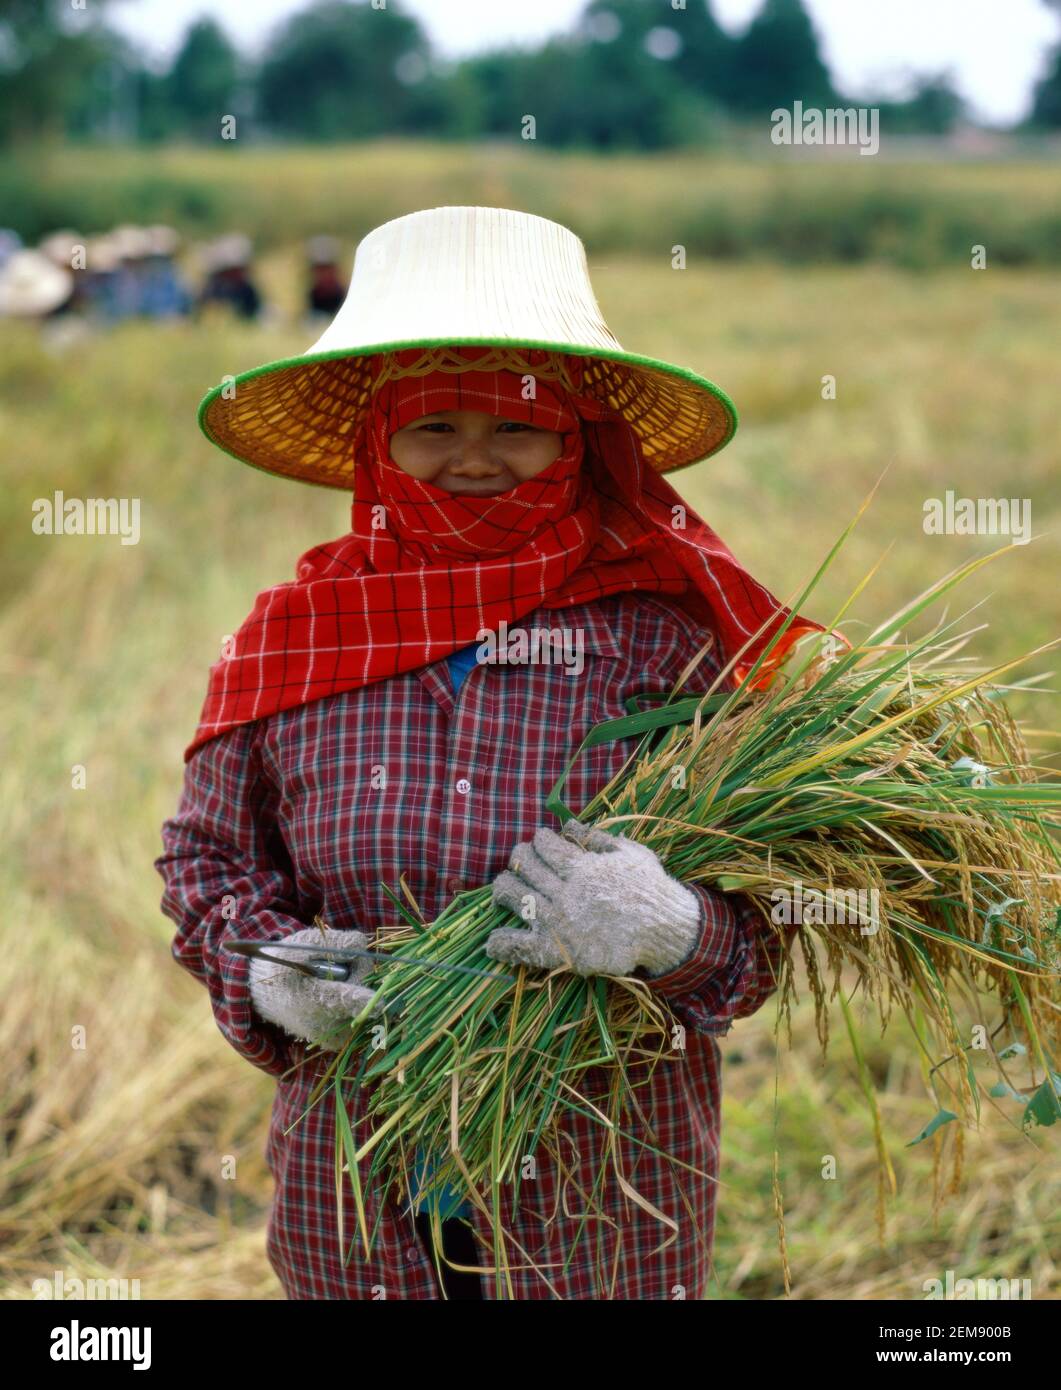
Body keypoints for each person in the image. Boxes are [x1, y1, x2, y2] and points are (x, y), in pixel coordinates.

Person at [155, 205, 835, 1301]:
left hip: (606, 1189)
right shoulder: (291, 636)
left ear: (575, 442)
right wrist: (273, 970)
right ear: (380, 443)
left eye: (515, 427)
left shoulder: (665, 642)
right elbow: (205, 865)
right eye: (434, 426)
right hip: (355, 1192)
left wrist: (668, 926)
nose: (473, 459)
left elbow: (770, 930)